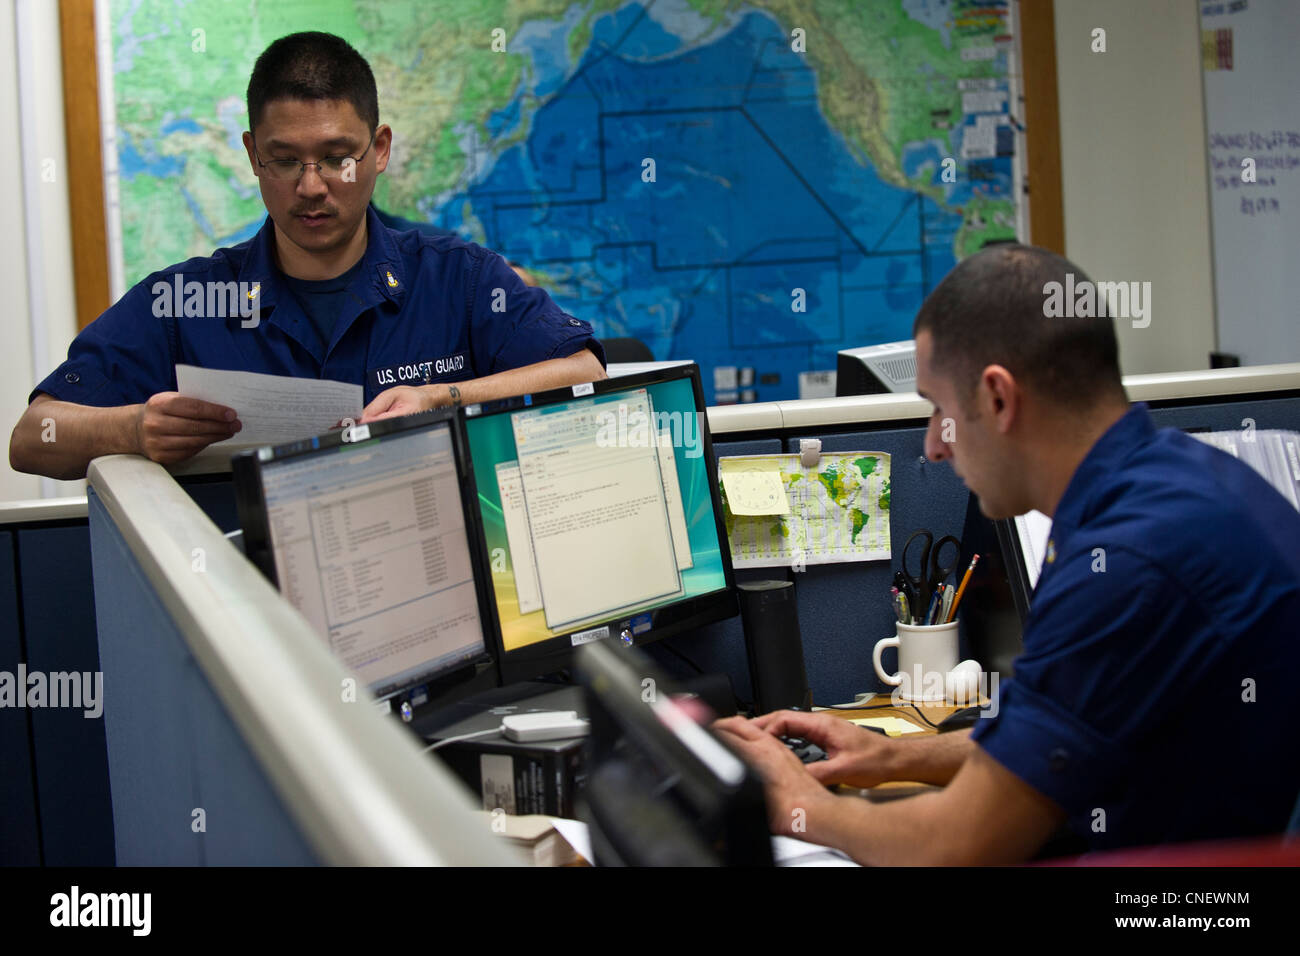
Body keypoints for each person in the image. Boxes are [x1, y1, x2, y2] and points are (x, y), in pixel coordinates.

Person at [715, 244, 1300, 864]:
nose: (933, 447)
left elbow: (957, 845)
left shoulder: (1128, 561)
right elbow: (1053, 736)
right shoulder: (1173, 480)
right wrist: (889, 755)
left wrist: (797, 805)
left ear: (998, 398)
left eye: (939, 410)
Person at [10, 32, 604, 480]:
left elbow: (584, 373)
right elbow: (33, 437)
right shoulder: (185, 301)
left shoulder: (459, 277)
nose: (312, 186)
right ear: (251, 155)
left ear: (379, 150)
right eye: (286, 159)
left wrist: (440, 399)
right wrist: (132, 427)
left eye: (338, 157)